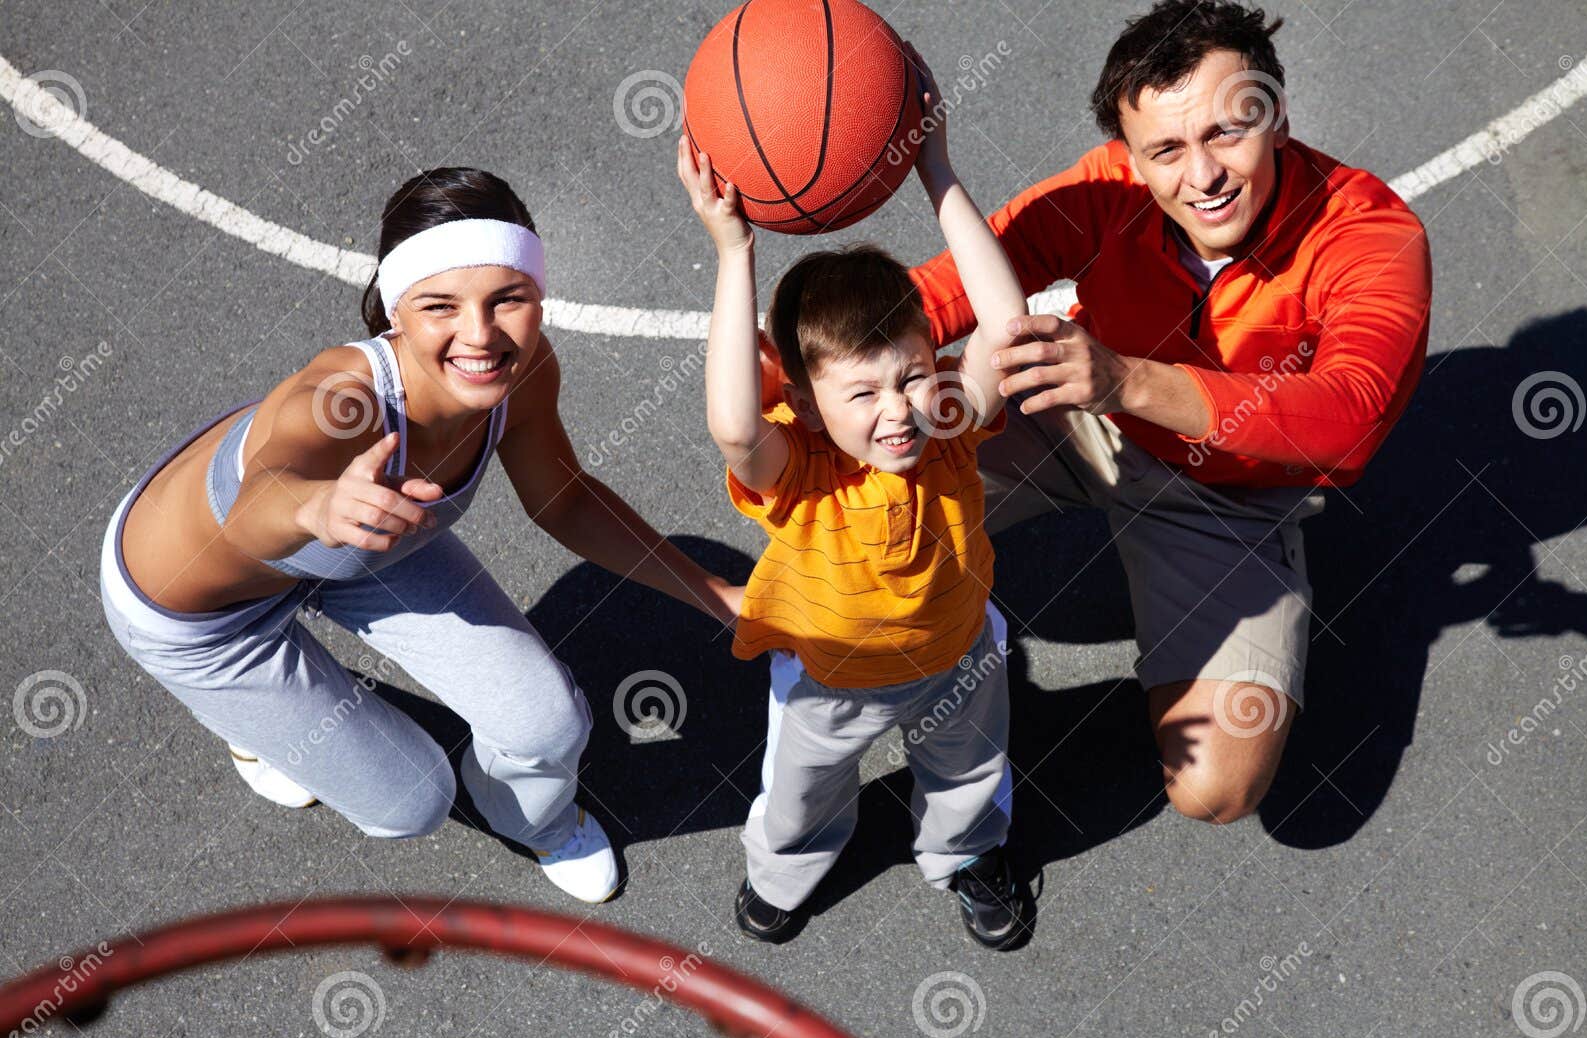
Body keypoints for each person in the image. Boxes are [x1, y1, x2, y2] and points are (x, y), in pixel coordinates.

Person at [98, 167, 742, 903]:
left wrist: (717, 595)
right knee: (410, 804)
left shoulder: (523, 370)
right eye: (442, 306)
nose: (481, 334)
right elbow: (252, 509)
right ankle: (248, 727)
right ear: (397, 310)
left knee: (549, 724)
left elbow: (565, 501)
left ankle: (534, 819)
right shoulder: (341, 399)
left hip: (370, 536)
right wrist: (315, 509)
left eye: (510, 300)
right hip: (201, 613)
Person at [910, 0, 1432, 825]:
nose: (1203, 175)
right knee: (884, 439)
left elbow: (1351, 421)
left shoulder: (1370, 233)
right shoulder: (1107, 187)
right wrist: (798, 363)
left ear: (1278, 113)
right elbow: (949, 286)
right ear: (1133, 156)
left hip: (1229, 493)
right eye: (1167, 150)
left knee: (1216, 789)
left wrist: (1125, 381)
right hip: (1080, 417)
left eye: (1227, 131)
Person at [678, 53, 1032, 949]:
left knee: (969, 773)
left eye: (910, 376)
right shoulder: (800, 469)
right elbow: (730, 423)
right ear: (800, 396)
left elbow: (1007, 330)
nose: (898, 410)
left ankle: (968, 854)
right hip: (828, 677)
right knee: (800, 789)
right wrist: (733, 252)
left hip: (958, 655)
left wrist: (936, 168)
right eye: (861, 394)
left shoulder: (948, 424)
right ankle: (786, 864)